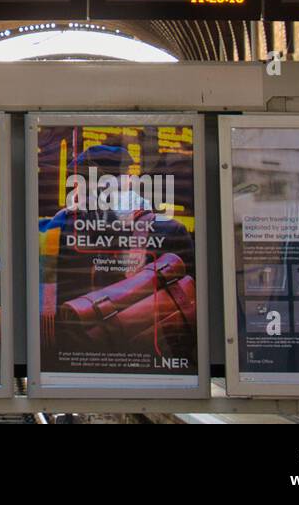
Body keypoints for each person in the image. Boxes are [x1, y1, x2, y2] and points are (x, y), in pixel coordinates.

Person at [39, 143, 193, 356]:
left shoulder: (53, 233)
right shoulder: (169, 230)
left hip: (72, 356)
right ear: (128, 181)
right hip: (147, 357)